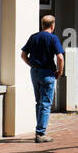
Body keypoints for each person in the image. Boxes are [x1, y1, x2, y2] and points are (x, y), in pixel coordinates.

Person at [20, 14, 65, 143]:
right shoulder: (53, 38)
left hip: (35, 72)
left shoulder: (34, 37)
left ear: (42, 25)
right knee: (46, 103)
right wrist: (60, 71)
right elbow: (60, 57)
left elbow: (23, 55)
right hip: (47, 72)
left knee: (39, 102)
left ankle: (39, 130)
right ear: (52, 25)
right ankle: (40, 133)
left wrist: (32, 65)